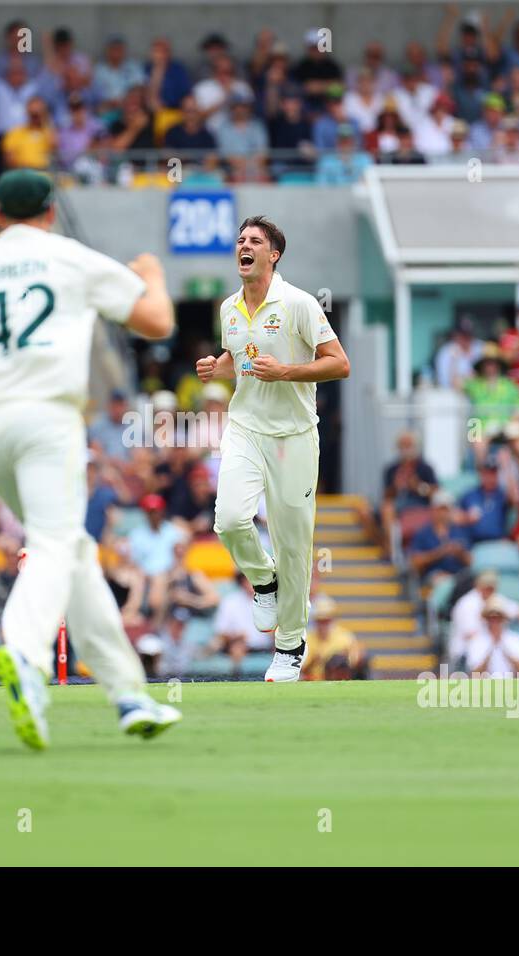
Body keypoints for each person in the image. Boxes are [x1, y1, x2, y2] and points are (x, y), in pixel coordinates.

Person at [0, 168, 181, 749]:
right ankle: (25, 655)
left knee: (72, 549)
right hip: (47, 420)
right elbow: (157, 322)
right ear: (51, 212)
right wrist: (151, 274)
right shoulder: (71, 257)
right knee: (57, 543)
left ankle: (128, 695)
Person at [193, 215, 350, 682]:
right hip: (244, 429)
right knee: (230, 520)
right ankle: (264, 580)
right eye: (241, 239)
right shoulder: (228, 309)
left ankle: (289, 647)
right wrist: (217, 367)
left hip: (294, 436)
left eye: (255, 241)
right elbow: (239, 359)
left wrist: (286, 372)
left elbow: (339, 364)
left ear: (272, 255)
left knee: (294, 544)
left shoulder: (299, 303)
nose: (244, 245)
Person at [465, 595, 519, 677]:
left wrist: (503, 647)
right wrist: (491, 648)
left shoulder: (517, 639)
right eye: (491, 617)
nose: (494, 621)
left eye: (498, 617)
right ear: (486, 619)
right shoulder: (476, 641)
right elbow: (475, 673)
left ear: (504, 618)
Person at [301, 594, 363, 680]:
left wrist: (345, 660)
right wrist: (314, 661)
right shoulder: (307, 639)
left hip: (339, 681)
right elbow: (300, 670)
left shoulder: (345, 637)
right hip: (314, 682)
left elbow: (356, 661)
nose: (323, 625)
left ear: (333, 619)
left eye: (326, 621)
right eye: (320, 621)